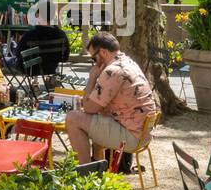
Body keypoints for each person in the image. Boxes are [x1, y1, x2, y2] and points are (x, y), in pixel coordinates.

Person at [65, 32, 158, 164]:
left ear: (102, 52)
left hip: (132, 137)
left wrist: (92, 77)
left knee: (73, 119)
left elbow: (89, 108)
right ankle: (97, 166)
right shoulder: (128, 61)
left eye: (93, 58)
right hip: (143, 133)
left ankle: (83, 174)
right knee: (99, 115)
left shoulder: (112, 71)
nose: (94, 63)